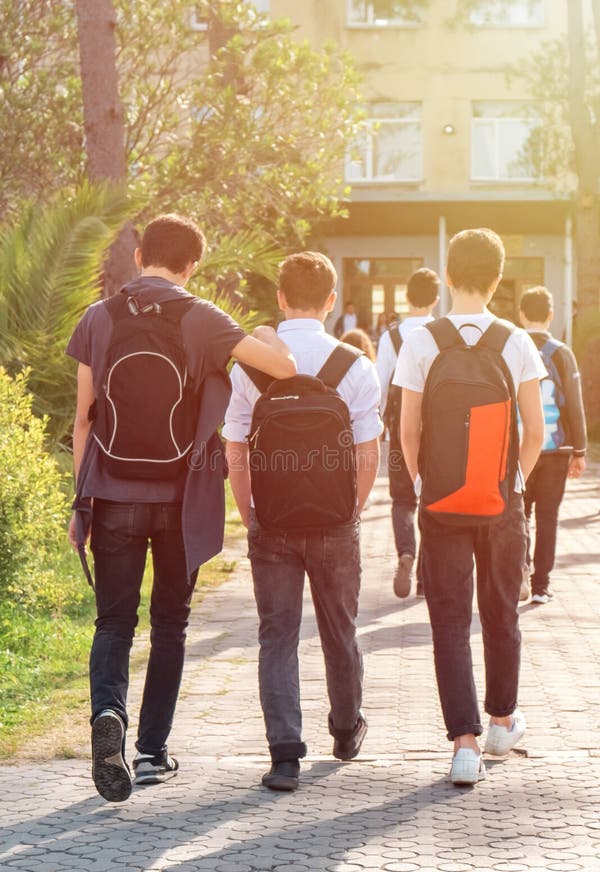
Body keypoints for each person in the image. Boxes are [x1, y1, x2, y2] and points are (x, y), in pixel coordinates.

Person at [66, 214, 296, 803]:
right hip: (180, 501)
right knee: (171, 624)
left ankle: (107, 716)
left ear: (139, 255)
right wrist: (267, 333)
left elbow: (83, 421)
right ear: (193, 264)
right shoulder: (203, 318)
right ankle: (150, 753)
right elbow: (282, 370)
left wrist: (80, 503)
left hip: (112, 496)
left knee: (113, 623)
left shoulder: (98, 317)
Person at [224, 251, 382, 792]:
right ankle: (344, 730)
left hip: (273, 522)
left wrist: (251, 514)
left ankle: (285, 756)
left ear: (281, 299)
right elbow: (368, 453)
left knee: (277, 635)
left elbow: (235, 447)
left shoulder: (250, 367)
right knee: (341, 630)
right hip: (337, 522)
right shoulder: (355, 365)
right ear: (332, 301)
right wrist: (350, 513)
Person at [394, 228, 545, 785]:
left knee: (450, 621)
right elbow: (535, 432)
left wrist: (424, 484)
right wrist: (515, 485)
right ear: (499, 278)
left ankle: (464, 745)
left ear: (449, 275)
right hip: (501, 500)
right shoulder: (515, 340)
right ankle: (502, 720)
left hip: (440, 503)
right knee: (501, 612)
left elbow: (406, 430)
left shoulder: (422, 340)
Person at [519, 286, 587, 604]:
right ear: (550, 315)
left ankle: (520, 567)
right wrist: (580, 450)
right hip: (556, 449)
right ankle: (541, 585)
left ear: (520, 314)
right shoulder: (561, 353)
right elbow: (574, 403)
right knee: (548, 517)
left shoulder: (512, 347)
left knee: (519, 513)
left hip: (519, 448)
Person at [376, 268, 439, 598]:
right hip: (442, 431)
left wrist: (380, 426)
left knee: (403, 499)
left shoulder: (392, 336)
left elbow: (381, 383)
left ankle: (406, 553)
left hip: (402, 428)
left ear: (407, 297)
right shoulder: (444, 334)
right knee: (432, 501)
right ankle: (425, 578)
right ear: (436, 299)